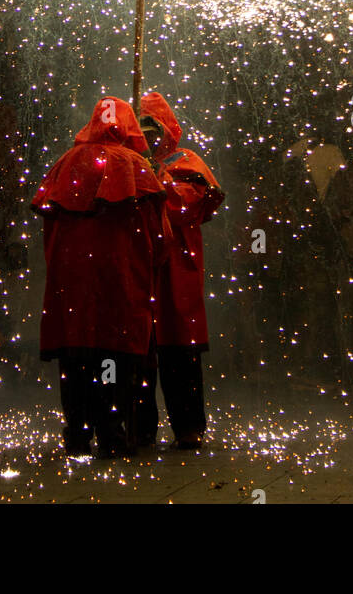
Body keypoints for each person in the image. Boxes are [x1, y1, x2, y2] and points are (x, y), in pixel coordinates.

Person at [31, 95, 167, 458]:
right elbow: (159, 236)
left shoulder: (64, 163)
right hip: (118, 283)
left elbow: (49, 227)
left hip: (72, 284)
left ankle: (77, 433)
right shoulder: (136, 166)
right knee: (114, 356)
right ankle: (111, 433)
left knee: (76, 357)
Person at [135, 92, 224, 448]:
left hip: (176, 275)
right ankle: (139, 429)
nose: (148, 137)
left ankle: (189, 429)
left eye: (153, 129)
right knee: (139, 358)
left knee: (180, 356)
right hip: (141, 272)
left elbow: (184, 206)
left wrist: (149, 182)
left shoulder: (185, 161)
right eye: (141, 129)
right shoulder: (131, 162)